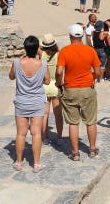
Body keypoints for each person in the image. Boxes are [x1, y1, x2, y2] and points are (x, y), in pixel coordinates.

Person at [55, 24, 101, 161]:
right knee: (91, 121)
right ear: (82, 35)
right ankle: (92, 150)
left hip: (70, 89)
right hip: (87, 88)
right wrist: (91, 78)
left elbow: (59, 71)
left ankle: (75, 153)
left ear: (70, 36)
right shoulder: (90, 51)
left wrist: (58, 82)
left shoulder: (64, 51)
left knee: (73, 123)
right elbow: (98, 72)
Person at [9, 35, 49, 172]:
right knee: (36, 133)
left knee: (21, 133)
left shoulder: (17, 62)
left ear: (25, 48)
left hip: (21, 101)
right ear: (37, 48)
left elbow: (11, 76)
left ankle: (19, 162)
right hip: (37, 101)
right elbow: (47, 81)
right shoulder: (43, 64)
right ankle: (36, 164)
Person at [40, 34, 63, 143]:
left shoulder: (41, 53)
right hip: (55, 85)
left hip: (44, 85)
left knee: (45, 114)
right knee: (58, 114)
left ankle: (45, 137)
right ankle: (59, 136)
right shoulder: (59, 54)